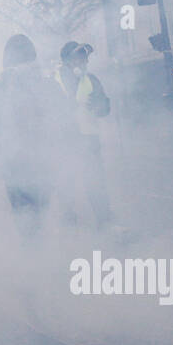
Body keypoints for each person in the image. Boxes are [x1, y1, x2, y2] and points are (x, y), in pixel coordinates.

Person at [0, 34, 71, 239]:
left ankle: (37, 258)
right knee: (33, 221)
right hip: (19, 168)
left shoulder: (44, 87)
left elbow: (65, 122)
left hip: (37, 166)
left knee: (37, 220)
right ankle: (38, 258)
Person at [54, 41, 113, 227]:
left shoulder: (91, 80)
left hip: (89, 140)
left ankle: (105, 223)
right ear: (67, 60)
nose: (84, 62)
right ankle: (69, 226)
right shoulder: (52, 81)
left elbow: (104, 110)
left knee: (96, 182)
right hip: (64, 141)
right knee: (66, 184)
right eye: (79, 58)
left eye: (85, 58)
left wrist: (100, 104)